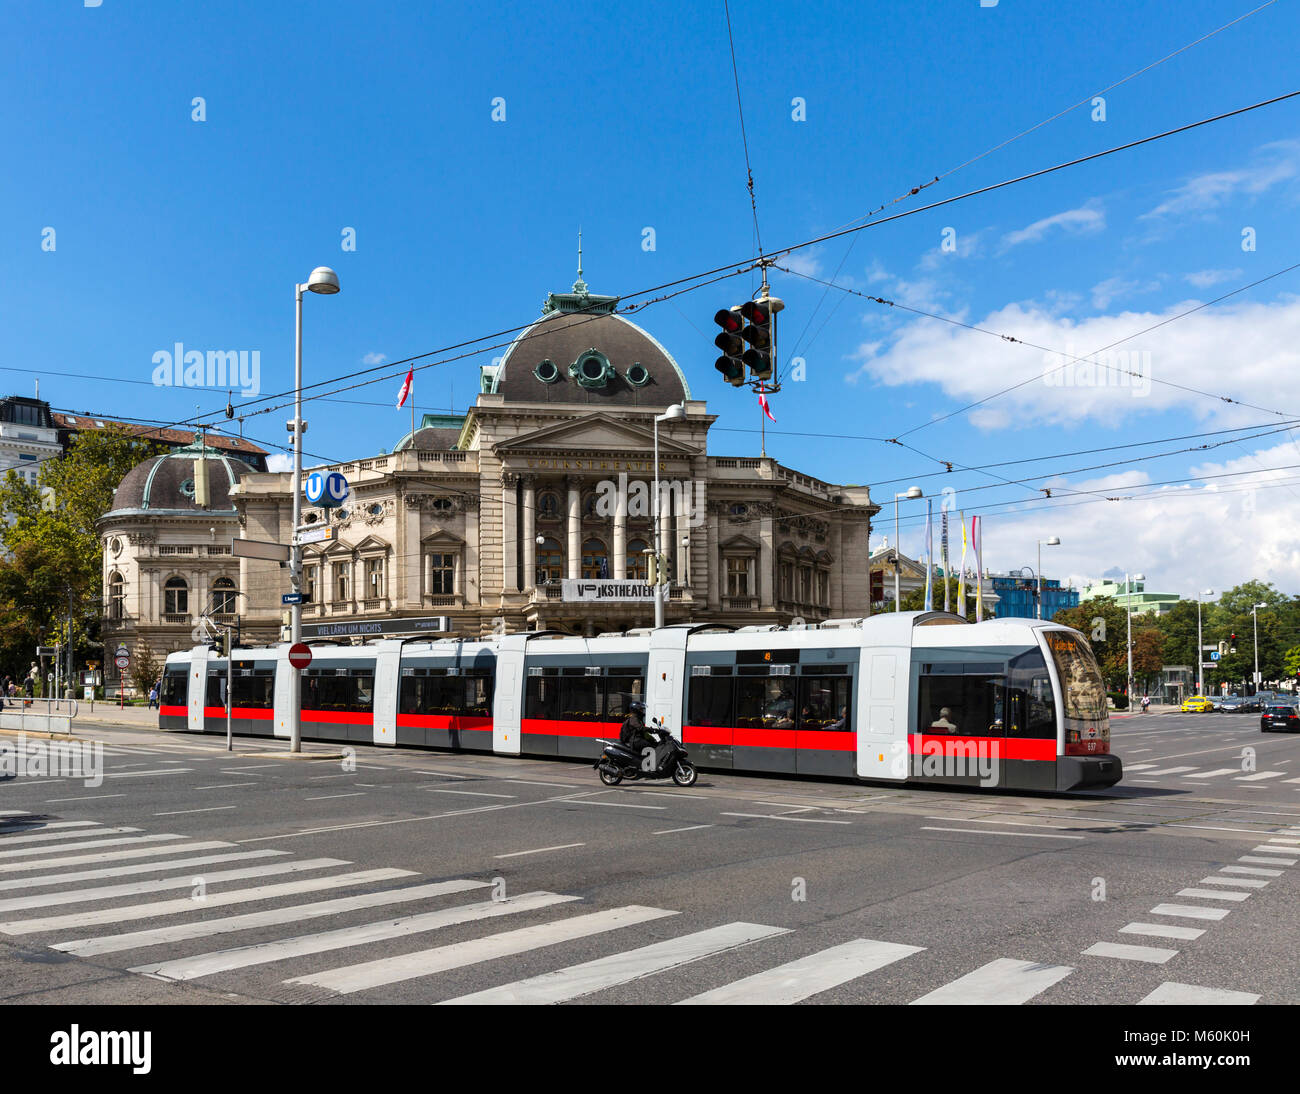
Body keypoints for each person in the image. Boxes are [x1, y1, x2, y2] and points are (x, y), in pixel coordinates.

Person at [619, 700, 656, 765]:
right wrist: (652, 730)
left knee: (653, 744)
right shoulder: (633, 719)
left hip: (637, 739)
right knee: (651, 748)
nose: (642, 711)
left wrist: (651, 737)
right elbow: (641, 728)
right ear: (636, 710)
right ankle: (649, 766)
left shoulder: (638, 718)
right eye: (641, 709)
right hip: (635, 741)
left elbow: (642, 732)